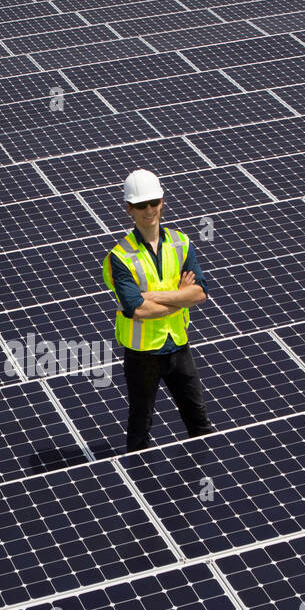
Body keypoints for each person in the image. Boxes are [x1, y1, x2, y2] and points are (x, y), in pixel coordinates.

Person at [101, 169, 217, 453]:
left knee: (199, 422)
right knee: (140, 428)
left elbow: (200, 292)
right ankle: (139, 489)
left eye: (153, 202)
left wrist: (154, 296)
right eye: (141, 205)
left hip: (178, 345)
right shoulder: (119, 256)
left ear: (162, 201)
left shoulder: (181, 243)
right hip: (142, 356)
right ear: (129, 208)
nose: (149, 210)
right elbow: (137, 309)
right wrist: (180, 297)